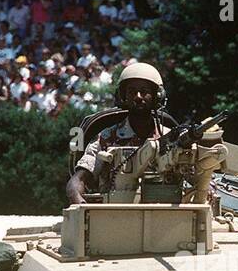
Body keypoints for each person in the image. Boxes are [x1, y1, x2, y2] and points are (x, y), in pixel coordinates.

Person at [66, 61, 167, 205]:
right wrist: (82, 205)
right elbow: (77, 181)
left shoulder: (169, 139)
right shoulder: (105, 139)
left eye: (144, 91)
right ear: (123, 96)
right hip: (113, 216)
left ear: (157, 96)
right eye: (132, 91)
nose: (138, 96)